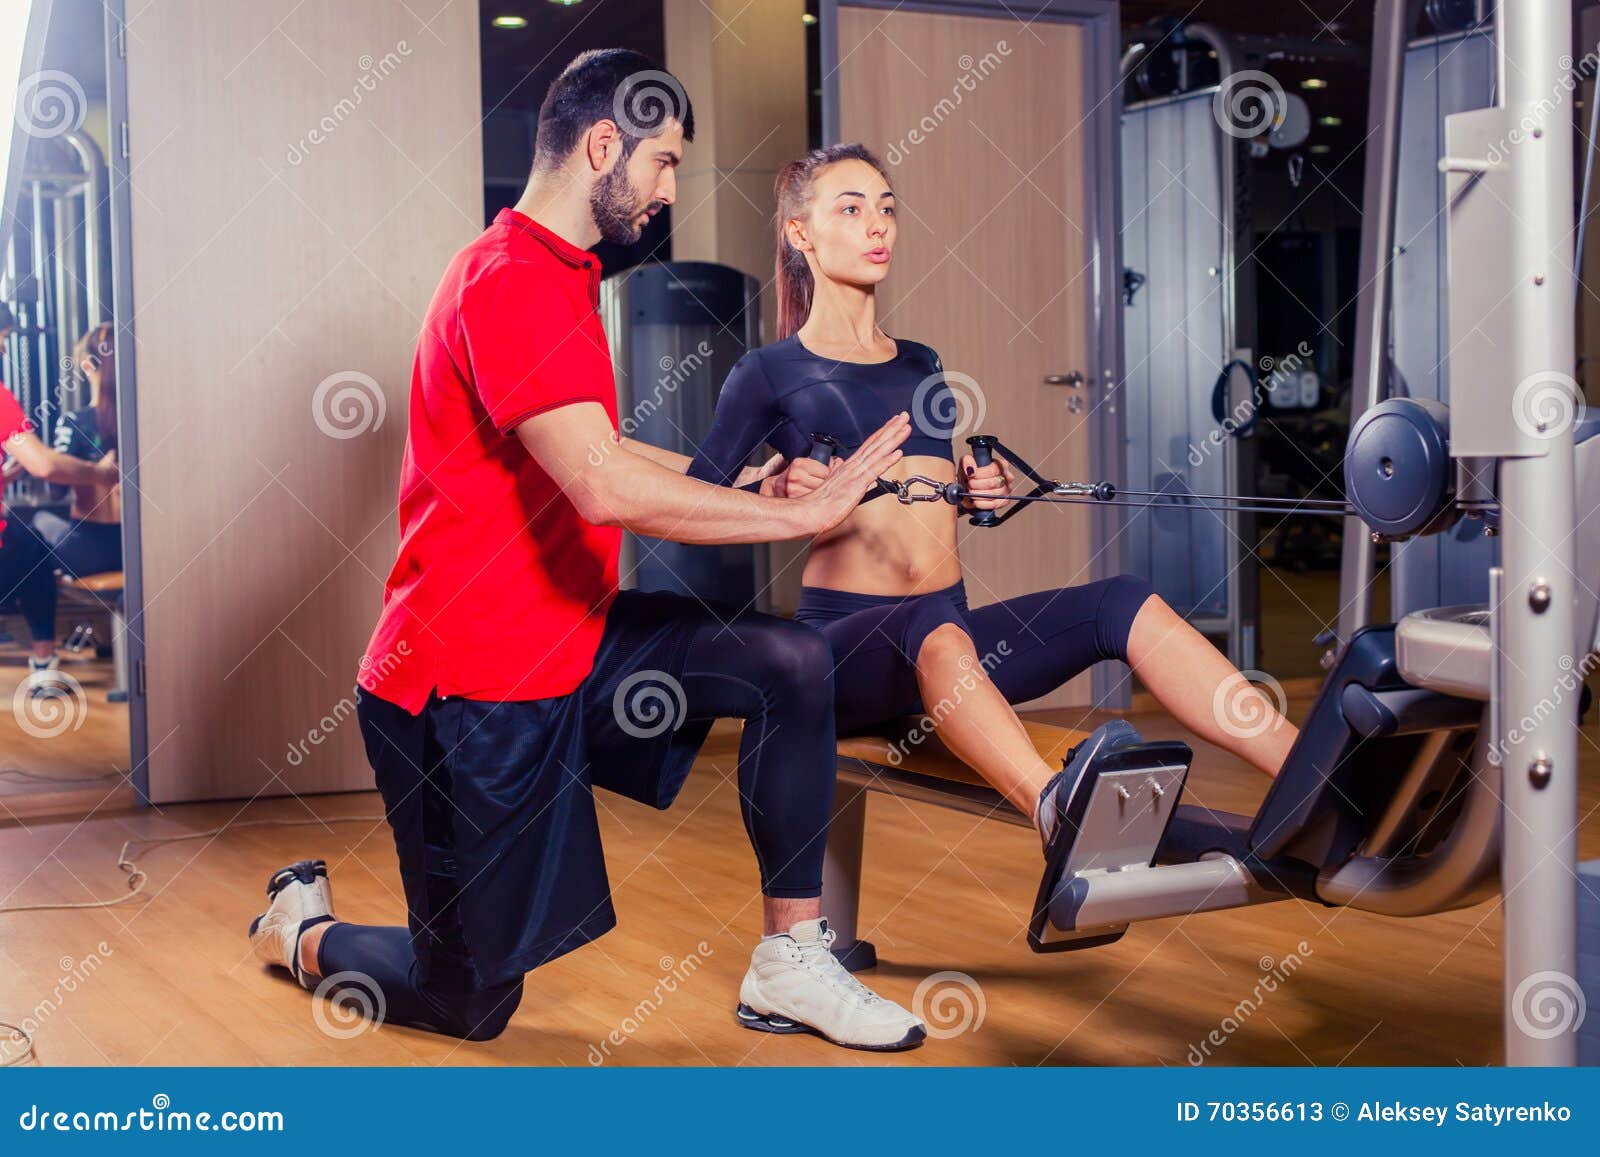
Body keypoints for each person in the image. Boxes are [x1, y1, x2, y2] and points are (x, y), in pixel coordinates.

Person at [247, 51, 927, 1052]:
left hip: (574, 638)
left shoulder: (562, 271)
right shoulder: (506, 279)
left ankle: (791, 956)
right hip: (463, 693)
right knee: (466, 1000)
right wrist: (795, 517)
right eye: (663, 165)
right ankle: (299, 928)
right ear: (604, 145)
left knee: (790, 659)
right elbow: (602, 484)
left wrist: (740, 481)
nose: (665, 192)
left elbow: (600, 446)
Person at [683, 144, 1300, 869]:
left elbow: (930, 505)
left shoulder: (921, 362)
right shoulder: (768, 371)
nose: (878, 225)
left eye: (886, 208)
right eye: (851, 209)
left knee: (1122, 601)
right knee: (932, 629)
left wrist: (983, 493)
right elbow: (693, 505)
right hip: (841, 656)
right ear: (801, 233)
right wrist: (770, 490)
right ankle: (1062, 817)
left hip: (948, 639)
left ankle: (1315, 779)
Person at [0, 311, 120, 691]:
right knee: (31, 547)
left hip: (91, 549)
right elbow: (45, 465)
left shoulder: (75, 421)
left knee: (31, 535)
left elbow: (50, 479)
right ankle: (43, 667)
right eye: (2, 340)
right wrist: (100, 473)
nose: (4, 349)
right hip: (134, 546)